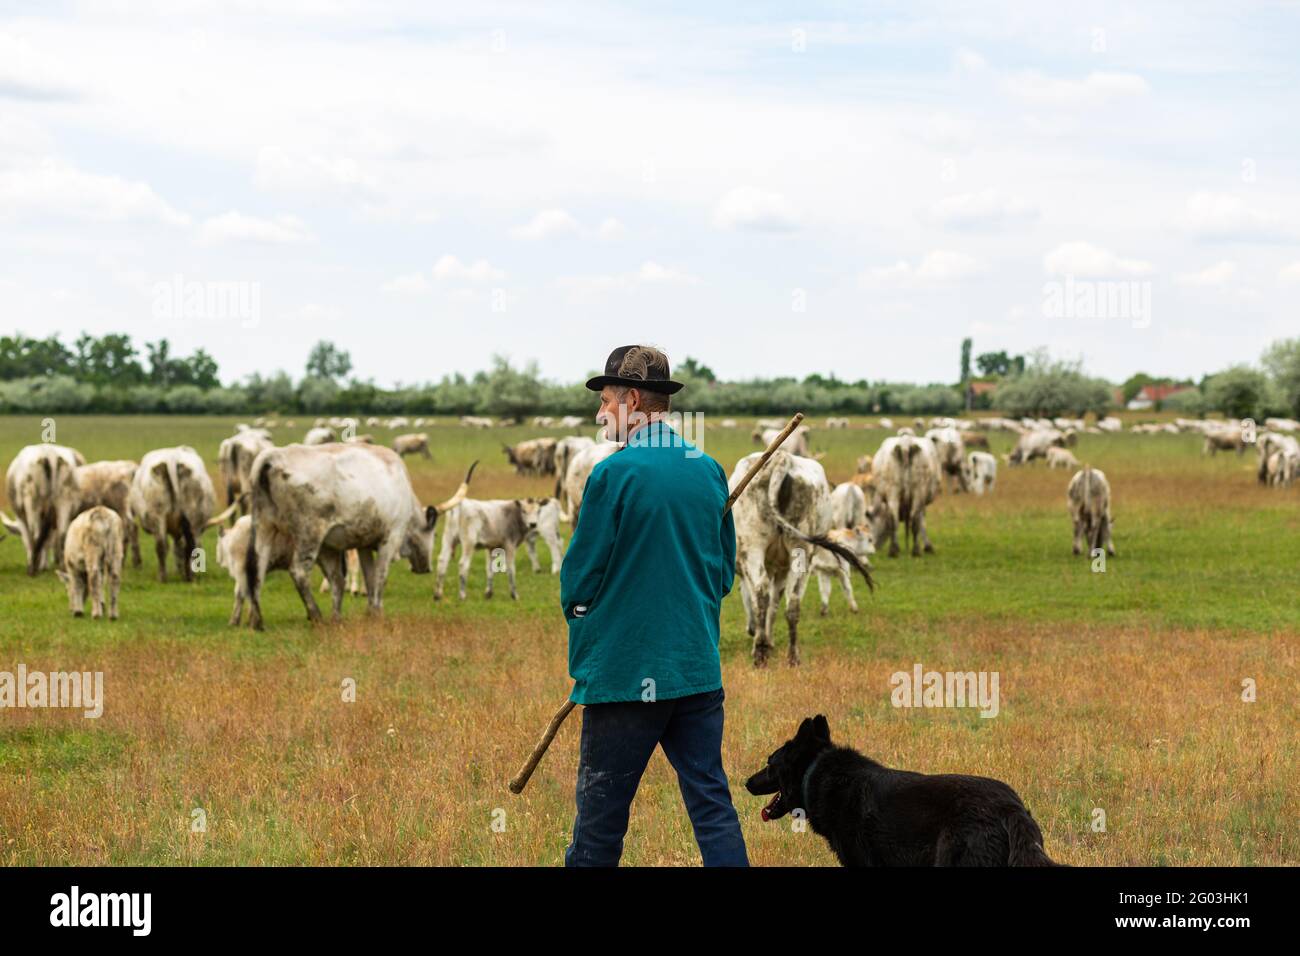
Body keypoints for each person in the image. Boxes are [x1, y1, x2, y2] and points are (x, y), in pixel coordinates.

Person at [560, 345, 748, 867]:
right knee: (713, 807)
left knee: (600, 818)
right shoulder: (708, 469)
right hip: (696, 672)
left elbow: (579, 579)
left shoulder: (612, 475)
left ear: (633, 400)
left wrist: (585, 626)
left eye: (605, 401)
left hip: (624, 678)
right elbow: (722, 570)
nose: (600, 413)